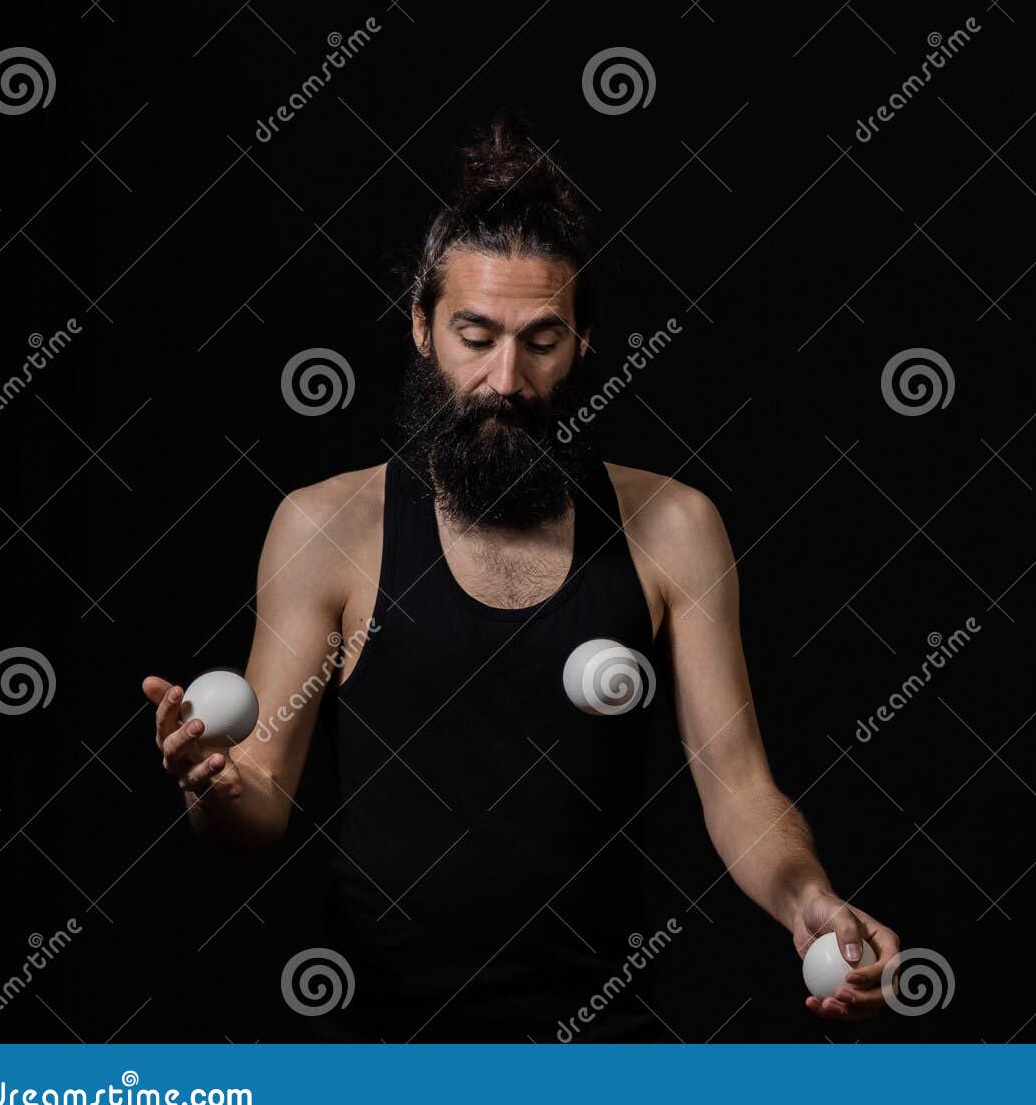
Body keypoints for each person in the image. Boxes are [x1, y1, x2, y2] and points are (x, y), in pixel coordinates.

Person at [142, 111, 899, 1041]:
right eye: (475, 334)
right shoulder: (328, 527)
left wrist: (808, 900)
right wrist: (207, 785)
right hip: (384, 1046)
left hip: (604, 1043)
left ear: (584, 343)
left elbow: (739, 790)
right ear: (420, 329)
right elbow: (256, 795)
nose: (506, 377)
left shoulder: (672, 528)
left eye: (542, 340)